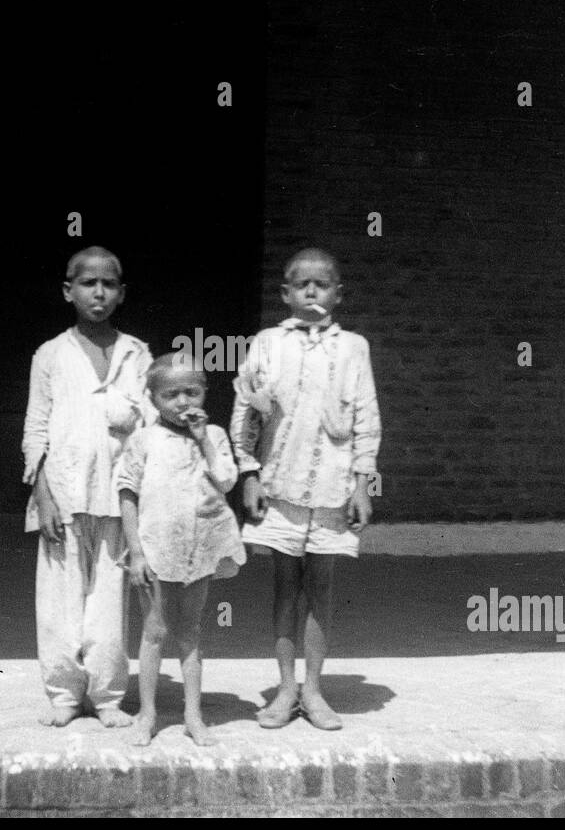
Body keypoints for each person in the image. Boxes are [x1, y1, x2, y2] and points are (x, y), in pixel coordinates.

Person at [230, 247, 381, 730]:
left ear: (339, 293)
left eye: (322, 284)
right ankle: (285, 688)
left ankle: (314, 690)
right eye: (302, 285)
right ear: (286, 293)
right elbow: (245, 412)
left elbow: (365, 417)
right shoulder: (268, 343)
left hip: (333, 490)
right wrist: (249, 473)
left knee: (321, 585)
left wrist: (362, 483)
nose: (312, 292)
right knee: (284, 587)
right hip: (281, 485)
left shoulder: (354, 347)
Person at [21, 246, 154, 728]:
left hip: (117, 496)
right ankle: (63, 695)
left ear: (122, 293)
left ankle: (108, 696)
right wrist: (43, 494)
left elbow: (150, 423)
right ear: (68, 291)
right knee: (59, 601)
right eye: (87, 283)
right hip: (64, 494)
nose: (99, 292)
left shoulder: (137, 354)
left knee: (108, 601)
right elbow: (36, 427)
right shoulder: (51, 354)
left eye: (109, 284)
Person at [118, 353, 245, 747]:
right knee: (154, 630)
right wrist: (136, 551)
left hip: (200, 546)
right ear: (153, 398)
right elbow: (127, 493)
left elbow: (226, 480)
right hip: (156, 548)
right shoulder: (143, 439)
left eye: (192, 392)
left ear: (205, 392)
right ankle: (148, 713)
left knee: (190, 630)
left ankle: (193, 714)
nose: (183, 402)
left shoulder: (217, 436)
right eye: (171, 394)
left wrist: (204, 438)